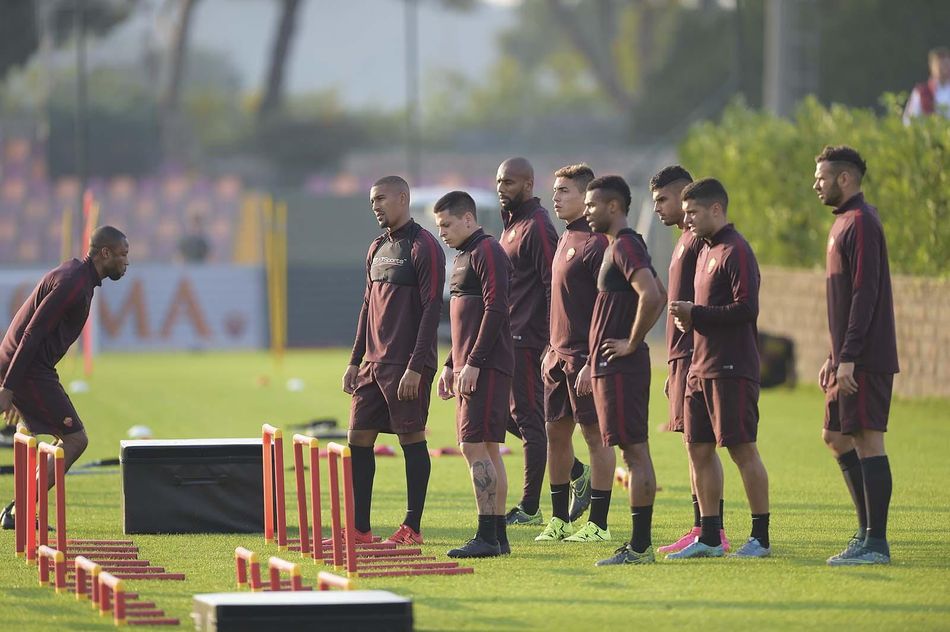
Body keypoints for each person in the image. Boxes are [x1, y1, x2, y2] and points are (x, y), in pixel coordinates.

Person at [668, 178, 771, 559]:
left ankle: (760, 537)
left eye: (693, 211)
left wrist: (697, 313)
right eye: (685, 211)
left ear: (716, 209)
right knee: (698, 448)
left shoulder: (735, 250)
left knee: (742, 449)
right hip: (700, 366)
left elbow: (747, 309)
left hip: (731, 367)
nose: (687, 218)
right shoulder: (705, 250)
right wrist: (691, 320)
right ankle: (709, 536)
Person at [0, 226, 130, 528]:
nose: (126, 262)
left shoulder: (79, 276)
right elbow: (32, 333)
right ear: (105, 253)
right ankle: (19, 512)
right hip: (29, 368)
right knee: (74, 440)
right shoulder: (73, 282)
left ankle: (18, 510)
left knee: (28, 434)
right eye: (123, 255)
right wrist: (9, 387)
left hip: (29, 366)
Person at [341, 176, 444, 546]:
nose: (376, 206)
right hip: (372, 364)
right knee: (358, 438)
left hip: (406, 365)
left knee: (411, 439)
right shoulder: (375, 248)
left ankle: (411, 529)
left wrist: (416, 366)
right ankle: (360, 530)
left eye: (381, 199)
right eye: (372, 201)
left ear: (403, 198)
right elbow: (367, 306)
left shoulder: (424, 245)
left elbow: (433, 307)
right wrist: (355, 360)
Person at [813, 146, 898, 565]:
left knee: (867, 440)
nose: (816, 184)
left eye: (822, 177)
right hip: (846, 356)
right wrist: (834, 355)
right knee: (835, 436)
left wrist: (848, 356)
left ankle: (876, 544)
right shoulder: (843, 223)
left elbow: (866, 294)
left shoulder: (862, 223)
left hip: (865, 357)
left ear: (844, 179)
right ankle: (865, 534)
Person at [581, 175, 666, 566]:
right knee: (632, 451)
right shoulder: (619, 246)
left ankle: (639, 547)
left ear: (613, 206)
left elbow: (652, 295)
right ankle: (639, 546)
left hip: (621, 368)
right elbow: (659, 292)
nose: (586, 210)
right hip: (610, 368)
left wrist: (631, 343)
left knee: (634, 453)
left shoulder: (626, 244)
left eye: (592, 205)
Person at [650, 166, 731, 555]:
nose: (659, 209)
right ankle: (699, 526)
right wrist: (672, 364)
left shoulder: (701, 239)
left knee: (703, 445)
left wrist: (695, 357)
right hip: (681, 357)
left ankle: (714, 529)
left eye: (664, 199)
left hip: (698, 355)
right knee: (690, 444)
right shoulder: (685, 239)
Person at [434, 190, 514, 558]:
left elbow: (496, 309)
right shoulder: (465, 255)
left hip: (486, 366)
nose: (442, 233)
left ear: (468, 219)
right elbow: (466, 321)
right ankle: (497, 537)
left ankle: (486, 537)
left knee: (473, 446)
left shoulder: (487, 251)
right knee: (488, 449)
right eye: (439, 227)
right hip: (471, 364)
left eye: (447, 224)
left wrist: (475, 363)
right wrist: (452, 362)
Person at [534, 164, 610, 542]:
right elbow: (558, 300)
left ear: (585, 196)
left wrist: (593, 360)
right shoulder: (565, 238)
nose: (556, 197)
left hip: (586, 361)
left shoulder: (598, 243)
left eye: (564, 191)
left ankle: (598, 524)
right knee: (556, 435)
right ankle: (560, 519)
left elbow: (607, 308)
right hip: (558, 358)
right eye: (555, 190)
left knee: (596, 439)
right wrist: (550, 346)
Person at [495, 157, 565, 527]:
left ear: (527, 184)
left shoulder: (538, 226)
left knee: (528, 418)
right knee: (504, 416)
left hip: (528, 339)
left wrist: (550, 340)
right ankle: (575, 467)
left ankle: (530, 507)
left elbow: (551, 285)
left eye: (508, 182)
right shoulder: (512, 225)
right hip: (509, 337)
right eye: (498, 181)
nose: (501, 187)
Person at [903, 46, 950, 125]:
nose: (944, 69)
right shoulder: (922, 92)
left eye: (946, 64)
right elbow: (909, 121)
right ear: (932, 66)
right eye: (940, 65)